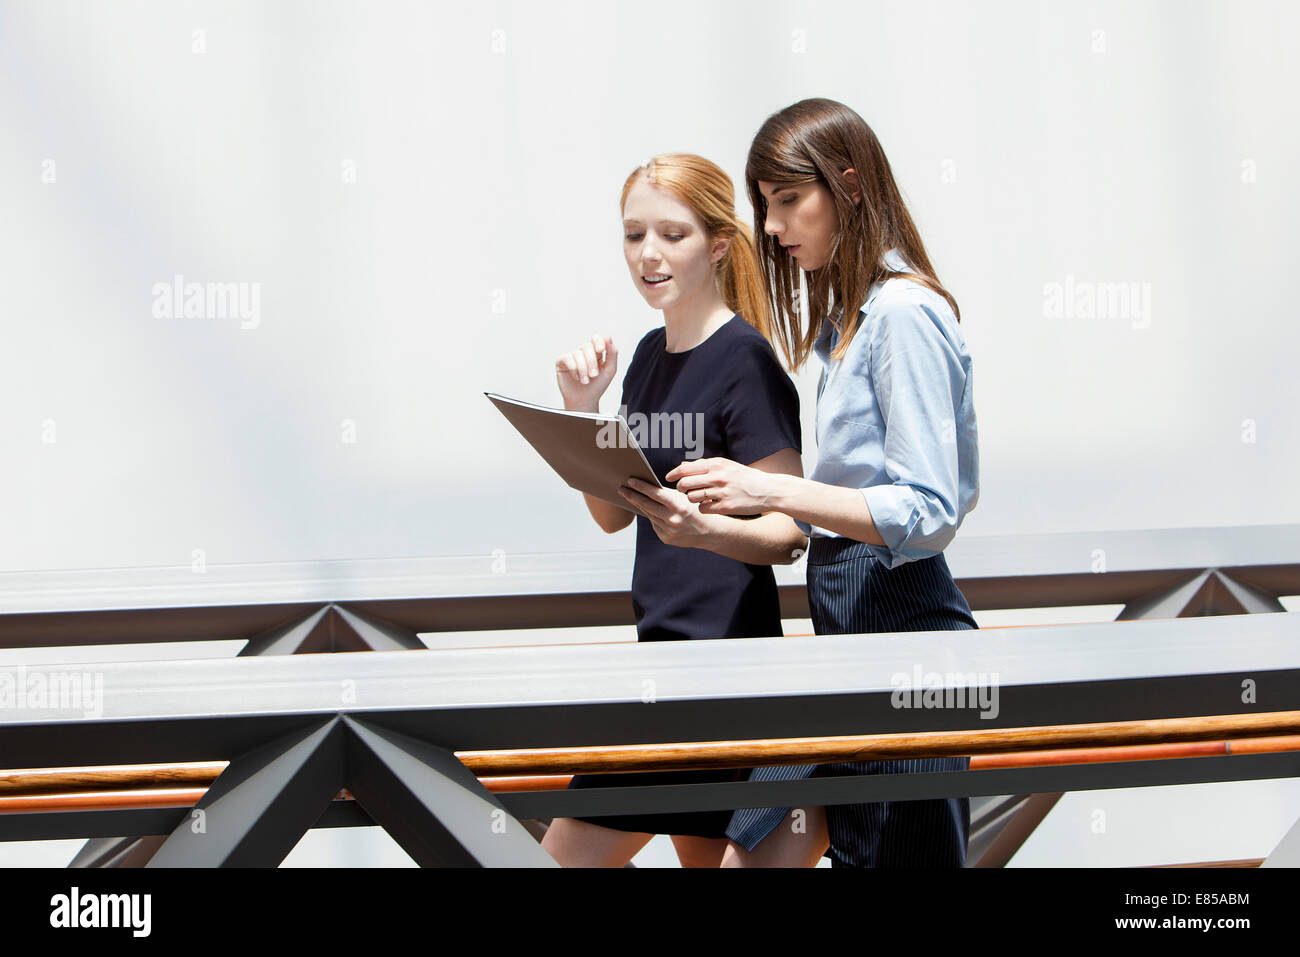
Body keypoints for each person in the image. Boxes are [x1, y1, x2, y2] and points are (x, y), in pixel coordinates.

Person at [665, 98, 980, 868]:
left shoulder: (903, 314)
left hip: (905, 635)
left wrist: (771, 489)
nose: (771, 229)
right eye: (765, 206)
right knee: (753, 851)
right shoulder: (848, 322)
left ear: (849, 186)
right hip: (845, 633)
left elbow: (930, 509)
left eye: (787, 201)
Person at [540, 153, 809, 868]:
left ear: (718, 244)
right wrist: (584, 412)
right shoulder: (647, 358)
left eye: (671, 234)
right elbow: (612, 515)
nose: (648, 254)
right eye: (634, 235)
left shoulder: (747, 362)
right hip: (662, 670)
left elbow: (787, 533)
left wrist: (706, 530)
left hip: (727, 682)